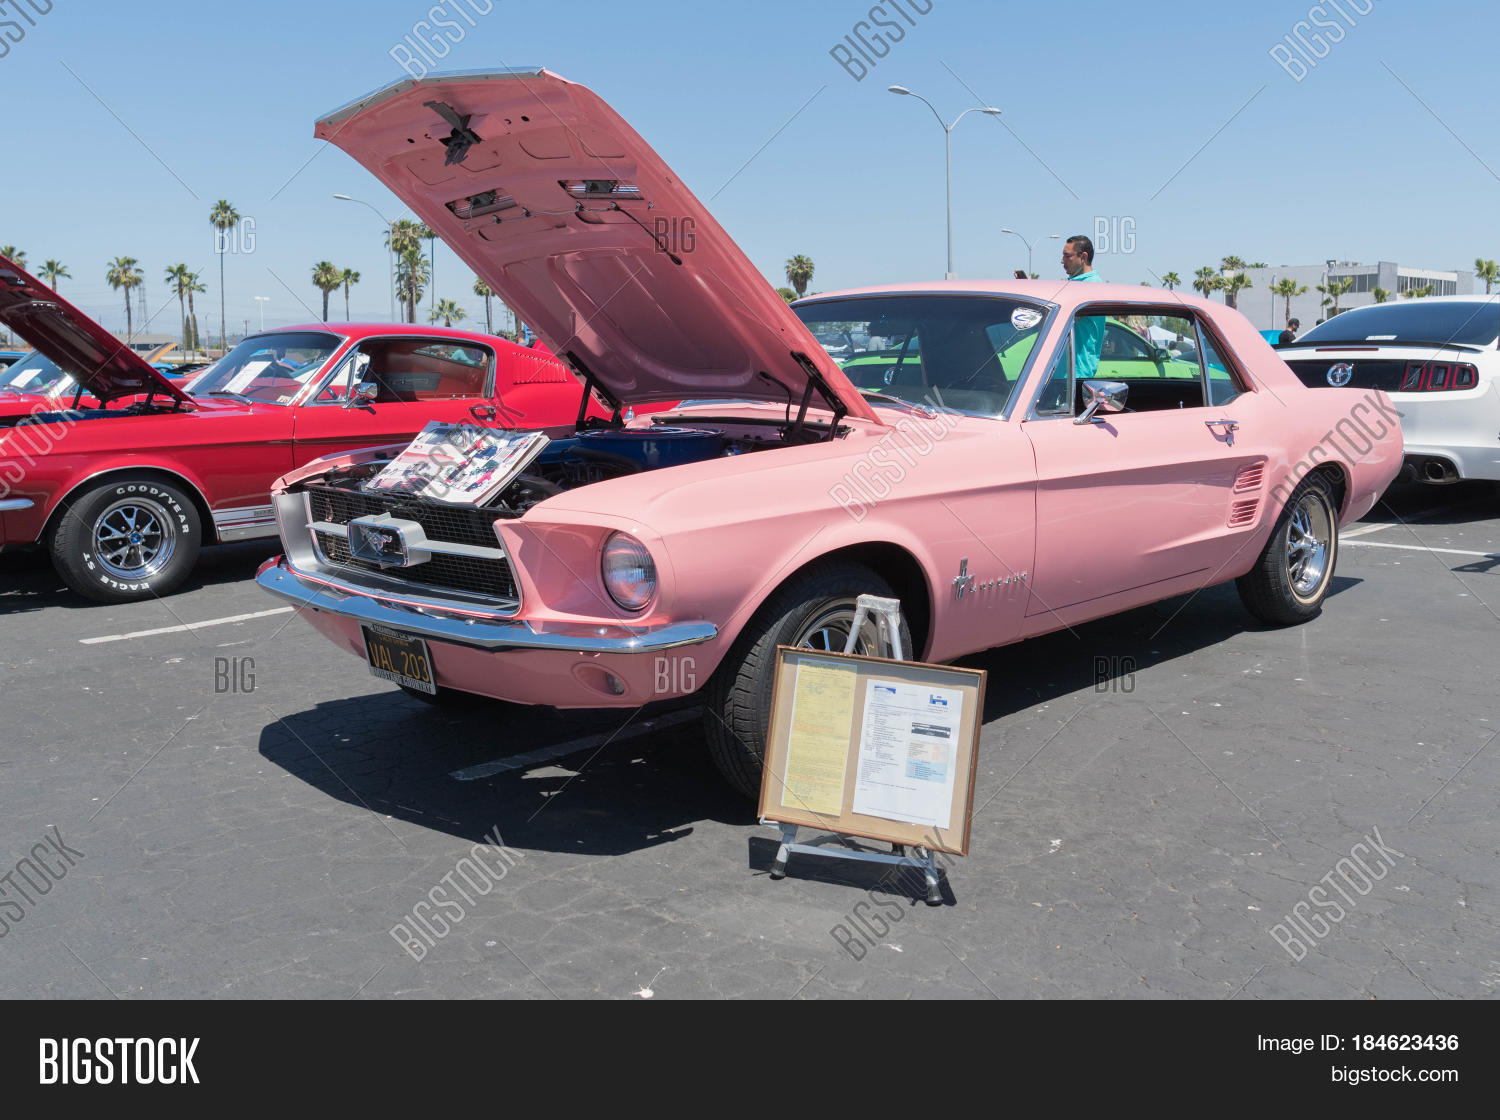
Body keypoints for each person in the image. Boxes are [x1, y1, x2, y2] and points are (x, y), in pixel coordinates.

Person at [1061, 234, 1105, 381]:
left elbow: (1061, 317)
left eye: (1067, 256)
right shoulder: (1078, 285)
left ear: (1083, 256)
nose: (1062, 261)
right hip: (1068, 371)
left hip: (1076, 373)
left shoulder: (1091, 286)